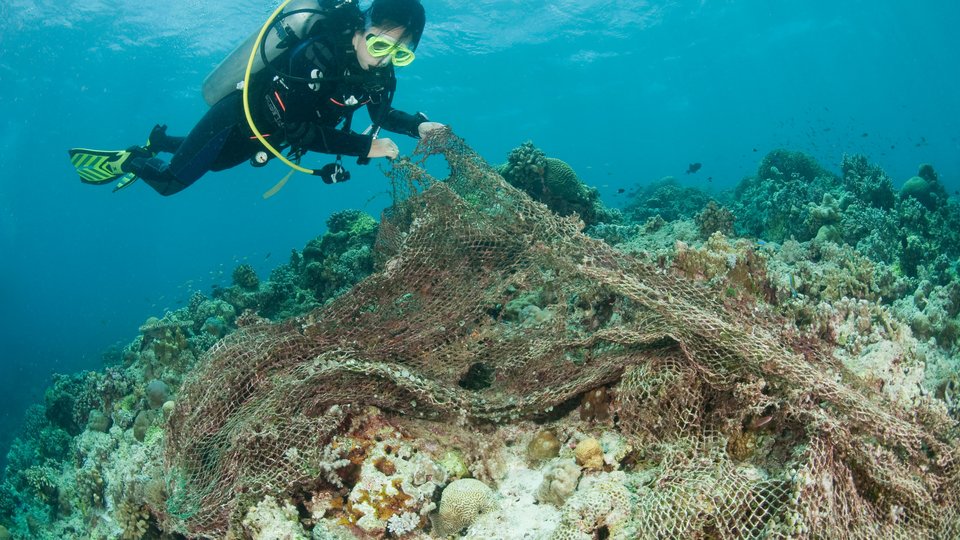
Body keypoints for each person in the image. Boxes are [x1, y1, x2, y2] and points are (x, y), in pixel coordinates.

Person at [68, 0, 443, 195]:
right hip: (238, 116)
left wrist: (418, 127)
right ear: (360, 32)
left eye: (400, 54)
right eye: (379, 45)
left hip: (265, 137)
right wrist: (365, 147)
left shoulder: (380, 73)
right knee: (170, 184)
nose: (384, 60)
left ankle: (159, 141)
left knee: (213, 163)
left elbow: (382, 114)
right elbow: (298, 130)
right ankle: (130, 159)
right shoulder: (317, 56)